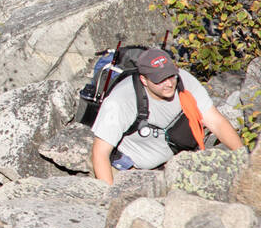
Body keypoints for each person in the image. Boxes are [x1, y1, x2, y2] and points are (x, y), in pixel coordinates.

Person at [90, 47, 244, 185]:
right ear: (144, 80)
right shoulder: (121, 101)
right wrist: (109, 197)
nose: (169, 84)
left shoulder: (184, 80)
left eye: (171, 76)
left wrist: (243, 159)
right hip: (130, 171)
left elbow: (216, 122)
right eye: (160, 79)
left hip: (173, 163)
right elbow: (100, 153)